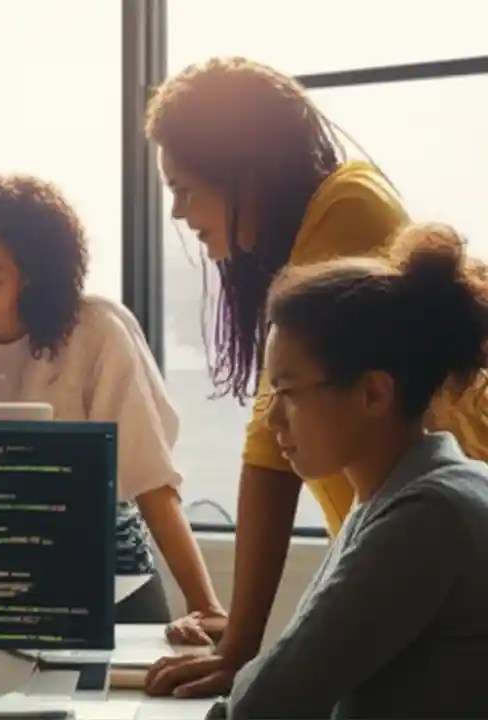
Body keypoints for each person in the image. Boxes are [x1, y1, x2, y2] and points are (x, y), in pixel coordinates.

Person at [143, 56, 488, 696]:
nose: (177, 214)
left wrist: (241, 652)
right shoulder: (385, 499)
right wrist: (242, 647)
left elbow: (266, 453)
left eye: (184, 187)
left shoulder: (345, 210)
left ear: (243, 170)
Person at [153, 224, 488, 718]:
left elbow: (267, 705)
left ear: (373, 393)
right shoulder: (398, 493)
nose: (272, 420)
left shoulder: (427, 517)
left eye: (288, 393)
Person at [0, 172, 223, 623]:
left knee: (122, 688)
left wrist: (205, 606)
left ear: (29, 280)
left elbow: (151, 481)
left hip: (103, 559)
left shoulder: (96, 332)